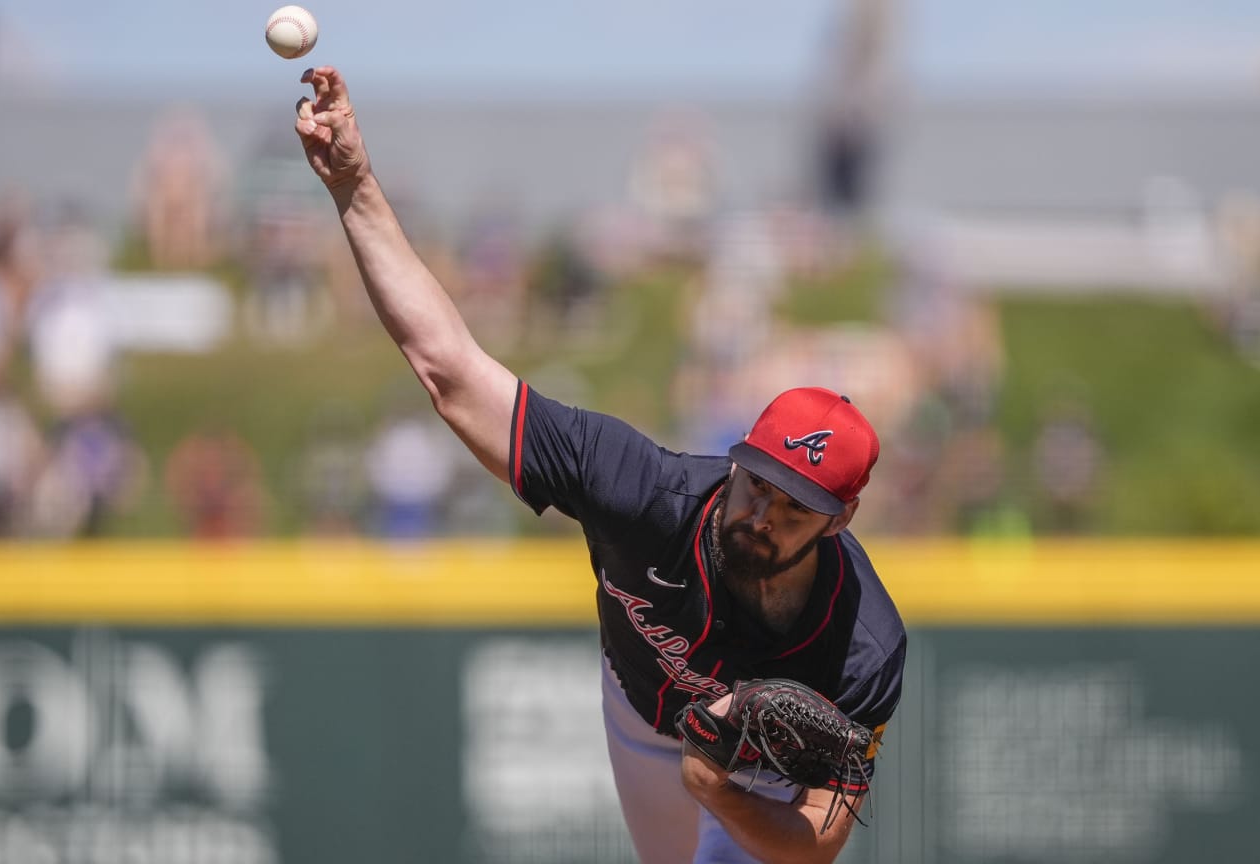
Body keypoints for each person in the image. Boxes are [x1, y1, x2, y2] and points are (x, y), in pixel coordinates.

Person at [292, 66, 907, 864]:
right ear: (738, 460)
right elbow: (450, 371)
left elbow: (818, 842)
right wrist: (356, 187)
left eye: (796, 505)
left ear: (841, 519)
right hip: (644, 717)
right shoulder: (641, 492)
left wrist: (720, 787)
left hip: (764, 774)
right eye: (759, 482)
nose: (763, 512)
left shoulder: (863, 641)